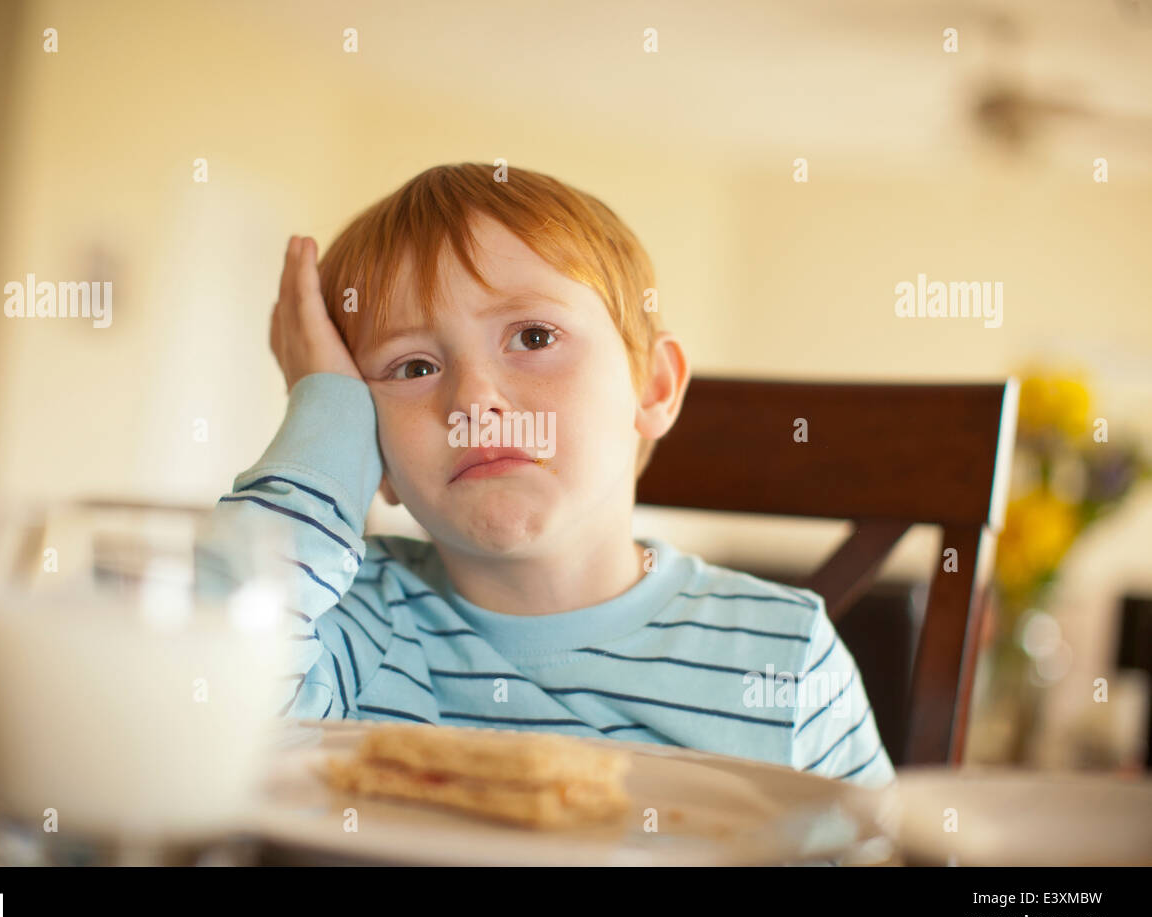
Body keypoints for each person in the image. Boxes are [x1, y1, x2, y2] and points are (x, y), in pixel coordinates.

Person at [210, 163, 895, 788]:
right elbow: (197, 700)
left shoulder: (785, 655)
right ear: (371, 452)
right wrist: (325, 408)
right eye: (412, 367)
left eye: (533, 337)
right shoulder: (343, 623)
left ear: (653, 386)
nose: (474, 402)